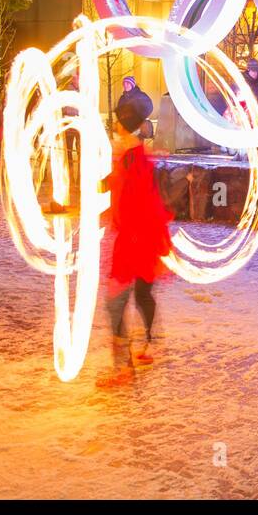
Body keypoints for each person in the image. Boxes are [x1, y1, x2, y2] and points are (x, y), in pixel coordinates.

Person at [99, 93, 175, 387]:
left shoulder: (131, 158)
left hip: (133, 241)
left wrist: (121, 224)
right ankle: (139, 355)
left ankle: (124, 370)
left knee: (115, 304)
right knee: (138, 295)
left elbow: (133, 200)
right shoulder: (133, 155)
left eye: (116, 122)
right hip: (140, 239)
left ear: (121, 124)